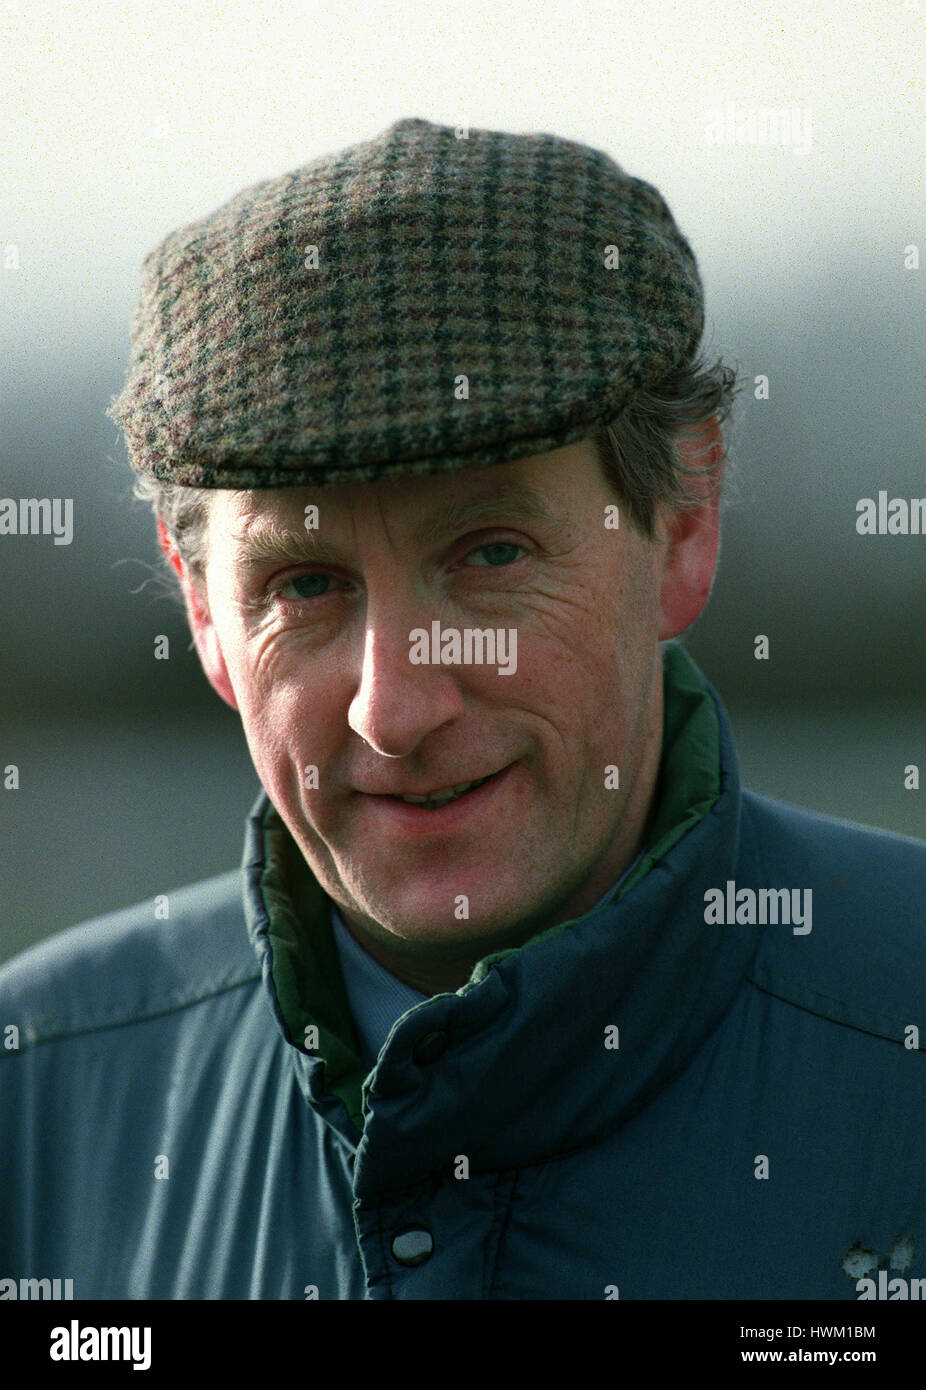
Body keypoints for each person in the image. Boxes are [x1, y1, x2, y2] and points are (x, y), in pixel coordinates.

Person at [2, 117, 924, 1302]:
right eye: (304, 585)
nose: (395, 706)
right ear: (202, 614)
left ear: (683, 522)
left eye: (489, 551)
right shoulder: (39, 1102)